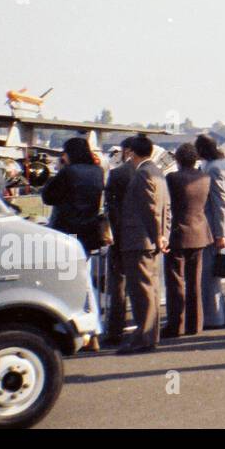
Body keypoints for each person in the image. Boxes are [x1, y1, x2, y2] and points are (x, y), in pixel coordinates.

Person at [116, 135, 170, 354]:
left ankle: (143, 337)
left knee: (142, 292)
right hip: (151, 239)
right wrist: (163, 235)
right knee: (152, 290)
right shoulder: (157, 172)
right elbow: (164, 208)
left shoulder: (143, 174)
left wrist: (157, 235)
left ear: (131, 153)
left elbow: (150, 209)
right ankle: (149, 335)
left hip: (140, 240)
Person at [164, 143, 212, 337]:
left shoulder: (172, 178)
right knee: (194, 281)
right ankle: (195, 323)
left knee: (176, 281)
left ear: (177, 159)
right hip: (199, 231)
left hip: (178, 232)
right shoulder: (205, 177)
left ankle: (176, 324)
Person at [100, 137, 137, 346]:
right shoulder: (150, 173)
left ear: (127, 151)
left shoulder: (117, 174)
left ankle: (115, 329)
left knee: (118, 284)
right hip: (142, 236)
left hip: (121, 235)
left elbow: (110, 206)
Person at [194, 135, 225, 329]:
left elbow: (220, 203)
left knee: (209, 275)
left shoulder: (213, 168)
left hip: (211, 228)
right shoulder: (223, 164)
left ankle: (214, 318)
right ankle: (221, 314)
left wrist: (220, 233)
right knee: (213, 275)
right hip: (216, 227)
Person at [40, 137, 105, 248]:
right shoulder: (98, 171)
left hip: (67, 229)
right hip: (89, 230)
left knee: (67, 261)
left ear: (70, 153)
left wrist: (59, 171)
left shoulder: (68, 171)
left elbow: (48, 198)